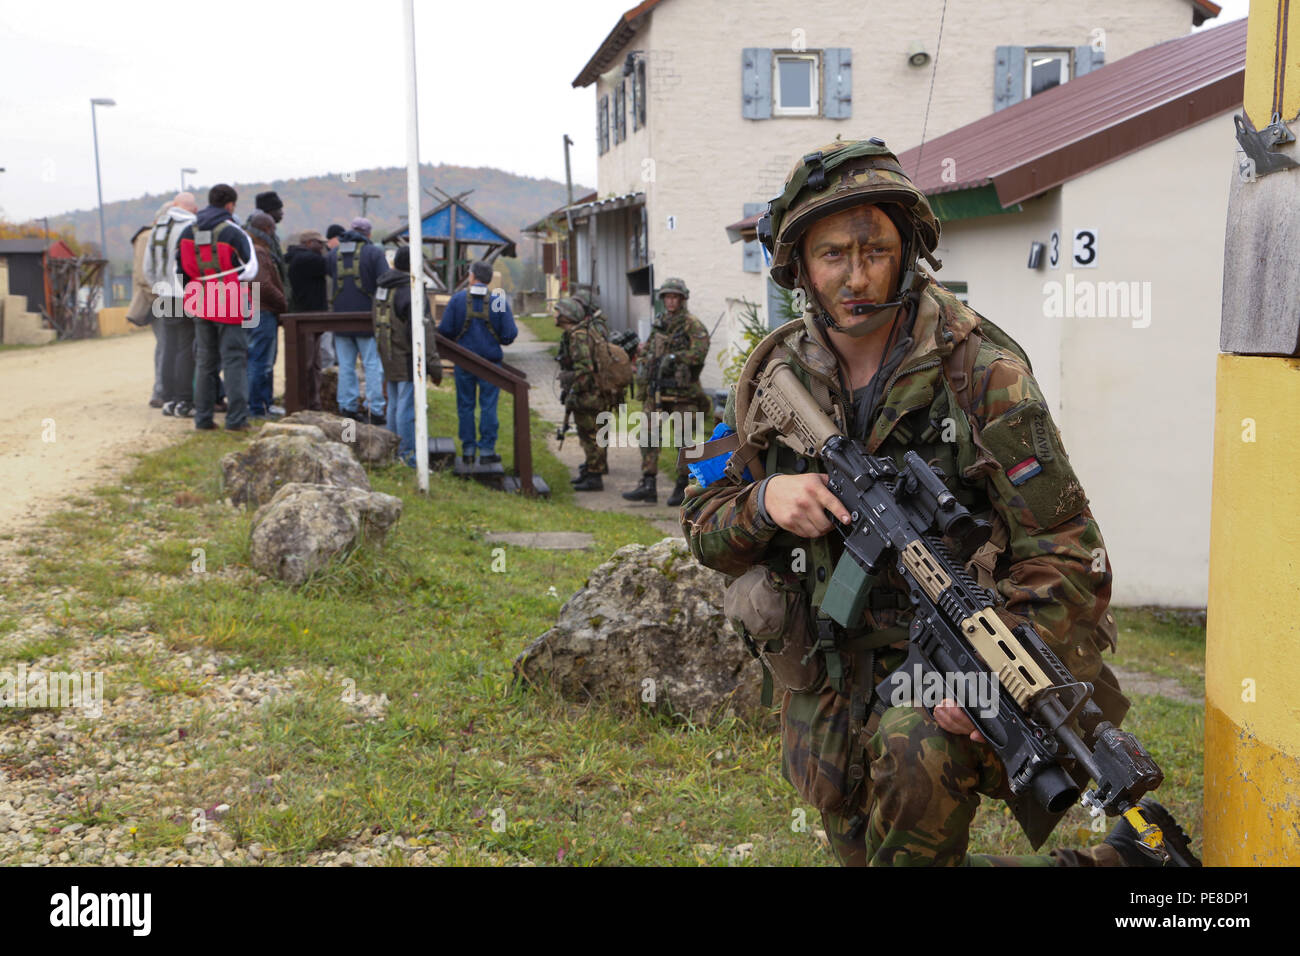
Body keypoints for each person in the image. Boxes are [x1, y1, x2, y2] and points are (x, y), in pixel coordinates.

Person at [680, 138, 1199, 867]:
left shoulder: (983, 373)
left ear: (909, 250)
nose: (856, 276)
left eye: (875, 250)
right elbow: (701, 523)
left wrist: (998, 671)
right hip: (830, 683)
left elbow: (1068, 557)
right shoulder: (770, 375)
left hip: (942, 682)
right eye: (833, 255)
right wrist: (765, 500)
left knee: (913, 757)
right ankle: (1130, 867)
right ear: (798, 266)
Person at [176, 183, 259, 431]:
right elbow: (251, 268)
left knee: (204, 361)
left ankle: (202, 419)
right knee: (234, 359)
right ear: (230, 205)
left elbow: (177, 270)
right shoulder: (234, 232)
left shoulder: (186, 231)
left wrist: (195, 288)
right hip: (229, 300)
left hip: (198, 299)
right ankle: (236, 420)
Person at [622, 277, 710, 506]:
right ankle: (648, 483)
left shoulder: (693, 325)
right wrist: (642, 363)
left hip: (684, 392)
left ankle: (683, 485)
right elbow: (649, 349)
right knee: (648, 434)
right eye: (667, 297)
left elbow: (699, 353)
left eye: (674, 297)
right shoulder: (660, 323)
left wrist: (674, 358)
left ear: (682, 299)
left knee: (684, 440)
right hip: (657, 390)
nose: (670, 301)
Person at [437, 261, 518, 464]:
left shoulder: (458, 299)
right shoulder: (498, 299)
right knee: (488, 406)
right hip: (490, 364)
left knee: (465, 405)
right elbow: (508, 334)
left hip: (464, 361)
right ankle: (487, 451)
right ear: (489, 279)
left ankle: (468, 450)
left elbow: (445, 331)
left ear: (472, 277)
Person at [373, 245, 442, 466]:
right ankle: (408, 456)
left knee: (393, 403)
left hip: (388, 353)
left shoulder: (383, 286)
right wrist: (434, 365)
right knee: (406, 406)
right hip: (407, 355)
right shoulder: (410, 290)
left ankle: (390, 450)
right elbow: (423, 330)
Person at [143, 191, 199, 417]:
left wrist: (159, 287)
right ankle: (184, 399)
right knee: (187, 347)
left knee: (169, 346)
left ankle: (167, 396)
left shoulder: (157, 229)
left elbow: (147, 268)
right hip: (186, 293)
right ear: (191, 209)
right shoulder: (192, 227)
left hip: (164, 294)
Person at [328, 216, 388, 424]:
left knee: (346, 365)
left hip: (340, 319)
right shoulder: (374, 253)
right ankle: (376, 410)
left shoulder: (334, 253)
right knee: (371, 365)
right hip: (367, 319)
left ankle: (347, 408)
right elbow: (385, 281)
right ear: (368, 234)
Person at [554, 296, 613, 490]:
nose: (555, 315)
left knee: (590, 434)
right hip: (592, 392)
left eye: (558, 311)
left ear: (566, 315)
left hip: (588, 394)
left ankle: (595, 476)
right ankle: (590, 469)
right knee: (586, 433)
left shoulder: (577, 336)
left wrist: (573, 392)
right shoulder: (580, 333)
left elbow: (585, 369)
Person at [245, 211, 288, 418]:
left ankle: (256, 403)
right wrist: (282, 302)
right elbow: (262, 284)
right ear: (266, 230)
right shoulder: (260, 251)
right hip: (262, 310)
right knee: (261, 361)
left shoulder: (244, 248)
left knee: (252, 359)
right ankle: (259, 406)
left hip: (247, 309)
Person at [285, 228, 330, 409]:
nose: (323, 248)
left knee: (312, 364)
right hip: (307, 317)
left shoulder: (297, 258)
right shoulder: (308, 260)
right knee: (307, 363)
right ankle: (303, 402)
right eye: (320, 244)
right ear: (310, 243)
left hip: (306, 316)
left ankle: (311, 401)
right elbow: (329, 265)